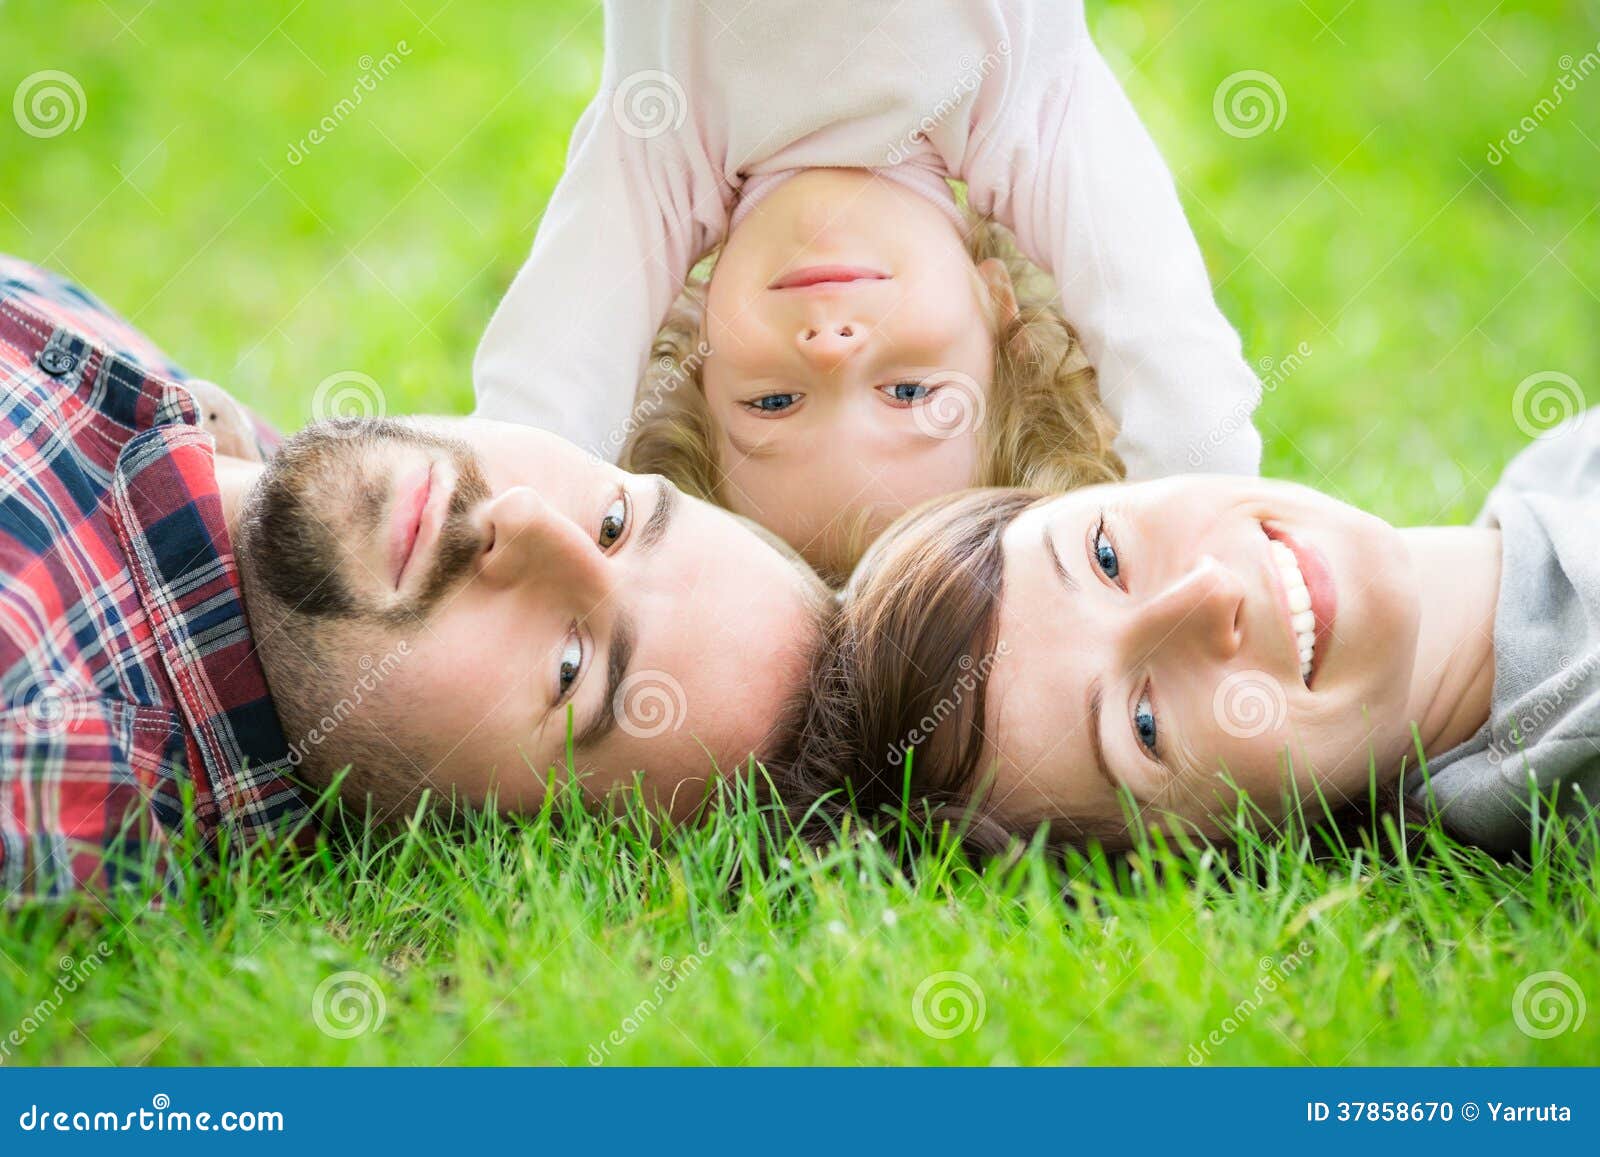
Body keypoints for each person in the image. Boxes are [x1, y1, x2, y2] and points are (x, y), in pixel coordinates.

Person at [0, 255, 826, 900]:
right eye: (614, 521)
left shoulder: (50, 743)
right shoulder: (205, 444)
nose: (526, 519)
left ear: (470, 843)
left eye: (571, 668)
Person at [473, 0, 1259, 576]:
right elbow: (1185, 404)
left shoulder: (660, 147)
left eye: (773, 403)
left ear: (694, 361)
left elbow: (531, 439)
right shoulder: (1028, 103)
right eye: (912, 392)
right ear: (1000, 312)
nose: (830, 349)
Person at [792, 418, 1600, 859]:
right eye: (1144, 726)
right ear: (1215, 849)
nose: (1208, 597)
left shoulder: (1556, 480)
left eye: (1105, 556)